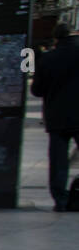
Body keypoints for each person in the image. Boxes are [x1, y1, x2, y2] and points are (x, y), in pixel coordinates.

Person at [30, 21, 79, 212]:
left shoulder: (47, 59)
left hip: (56, 117)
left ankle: (60, 200)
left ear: (56, 38)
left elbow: (37, 90)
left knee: (58, 161)